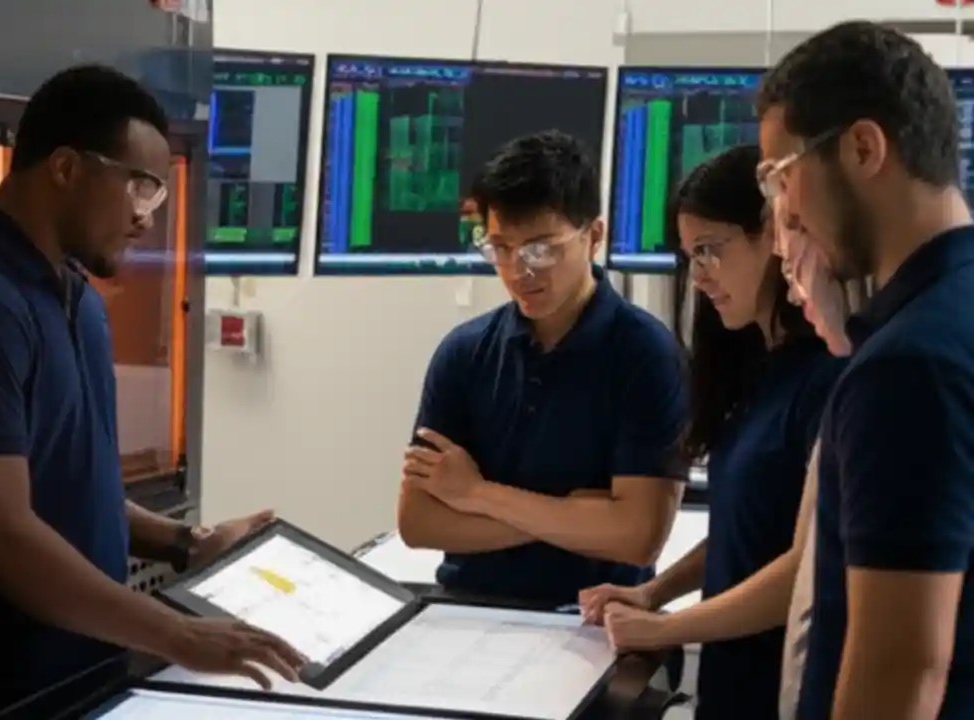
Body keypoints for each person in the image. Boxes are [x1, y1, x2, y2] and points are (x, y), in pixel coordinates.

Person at [0, 65, 304, 718]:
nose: (144, 217)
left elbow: (68, 487)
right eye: (139, 186)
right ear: (67, 168)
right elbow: (0, 537)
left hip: (85, 666)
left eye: (157, 195)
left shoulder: (75, 298)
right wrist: (178, 635)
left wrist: (187, 543)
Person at [576, 145, 848, 720]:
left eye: (710, 251)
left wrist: (665, 627)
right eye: (689, 257)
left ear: (771, 236)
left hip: (785, 690)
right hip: (730, 688)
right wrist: (654, 592)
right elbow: (746, 529)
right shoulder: (757, 370)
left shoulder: (826, 378)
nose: (697, 277)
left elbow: (804, 568)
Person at [759, 20, 974, 720]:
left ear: (862, 147)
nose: (785, 209)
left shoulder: (906, 368)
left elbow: (901, 669)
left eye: (782, 176)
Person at [398, 130, 688, 607]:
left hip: (592, 619)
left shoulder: (647, 354)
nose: (517, 271)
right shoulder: (464, 353)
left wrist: (475, 492)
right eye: (499, 248)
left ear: (593, 236)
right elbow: (418, 523)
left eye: (540, 249)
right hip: (466, 610)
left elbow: (636, 537)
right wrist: (573, 517)